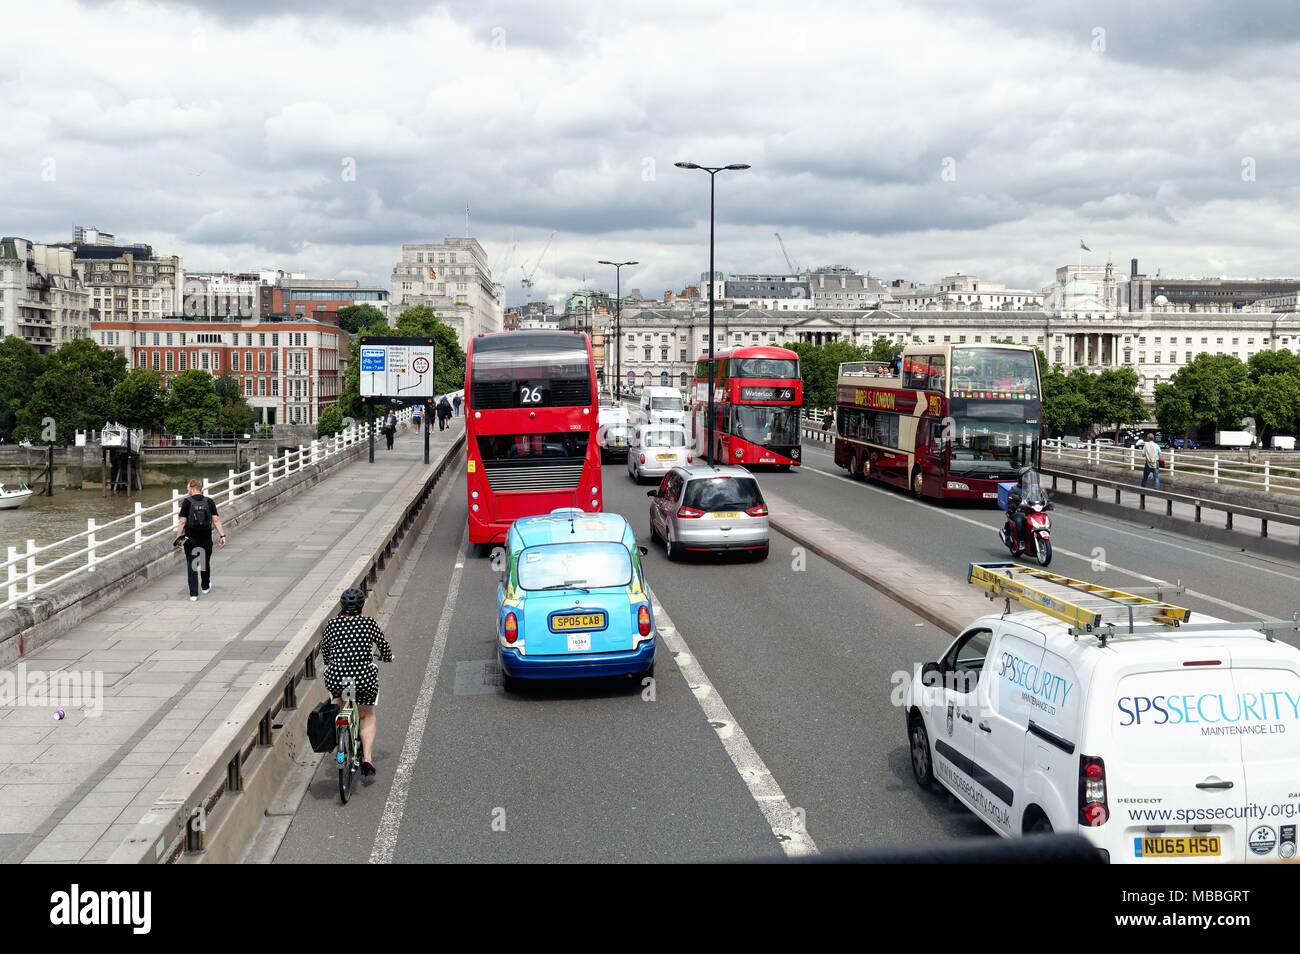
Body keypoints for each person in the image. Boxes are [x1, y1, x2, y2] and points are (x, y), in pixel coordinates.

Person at [320, 587, 394, 778]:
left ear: (342, 606)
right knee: (366, 714)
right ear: (361, 605)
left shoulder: (332, 625)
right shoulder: (369, 623)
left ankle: (339, 740)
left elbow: (326, 653)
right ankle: (367, 758)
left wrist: (333, 662)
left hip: (338, 677)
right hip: (363, 678)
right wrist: (387, 657)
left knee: (338, 703)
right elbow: (383, 646)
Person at [176, 478, 226, 602]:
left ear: (192, 488)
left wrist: (178, 537)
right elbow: (216, 520)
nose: (187, 492)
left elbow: (182, 521)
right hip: (206, 538)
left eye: (188, 489)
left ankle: (193, 594)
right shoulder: (209, 501)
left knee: (192, 565)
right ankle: (205, 586)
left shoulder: (187, 502)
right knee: (204, 562)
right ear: (200, 489)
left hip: (191, 539)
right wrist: (222, 535)